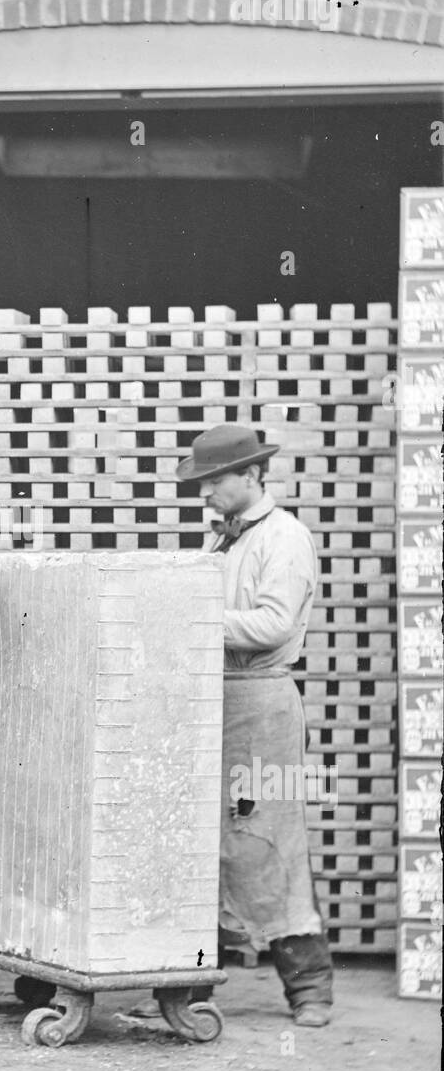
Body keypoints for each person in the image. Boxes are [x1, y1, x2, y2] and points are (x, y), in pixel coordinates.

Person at [176, 422, 334, 1028]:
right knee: (203, 844)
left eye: (215, 480)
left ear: (252, 475)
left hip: (262, 702)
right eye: (201, 482)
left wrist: (192, 620)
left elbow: (271, 625)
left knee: (269, 840)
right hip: (213, 701)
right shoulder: (222, 542)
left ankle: (310, 987)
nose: (206, 492)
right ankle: (191, 987)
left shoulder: (285, 538)